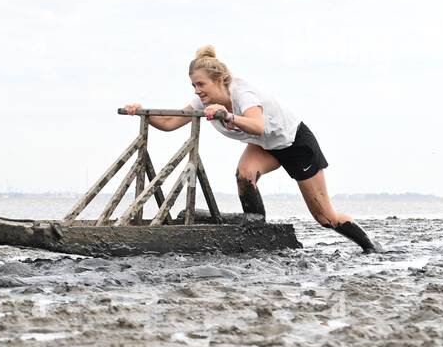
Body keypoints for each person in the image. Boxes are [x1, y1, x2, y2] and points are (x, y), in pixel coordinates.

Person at [123, 45, 377, 252]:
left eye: (201, 85)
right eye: (194, 86)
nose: (198, 91)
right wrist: (141, 112)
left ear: (219, 81)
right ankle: (257, 232)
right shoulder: (202, 103)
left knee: (325, 218)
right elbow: (169, 123)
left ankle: (372, 248)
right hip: (266, 147)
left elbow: (258, 126)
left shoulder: (241, 93)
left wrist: (227, 116)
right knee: (244, 173)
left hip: (296, 144)